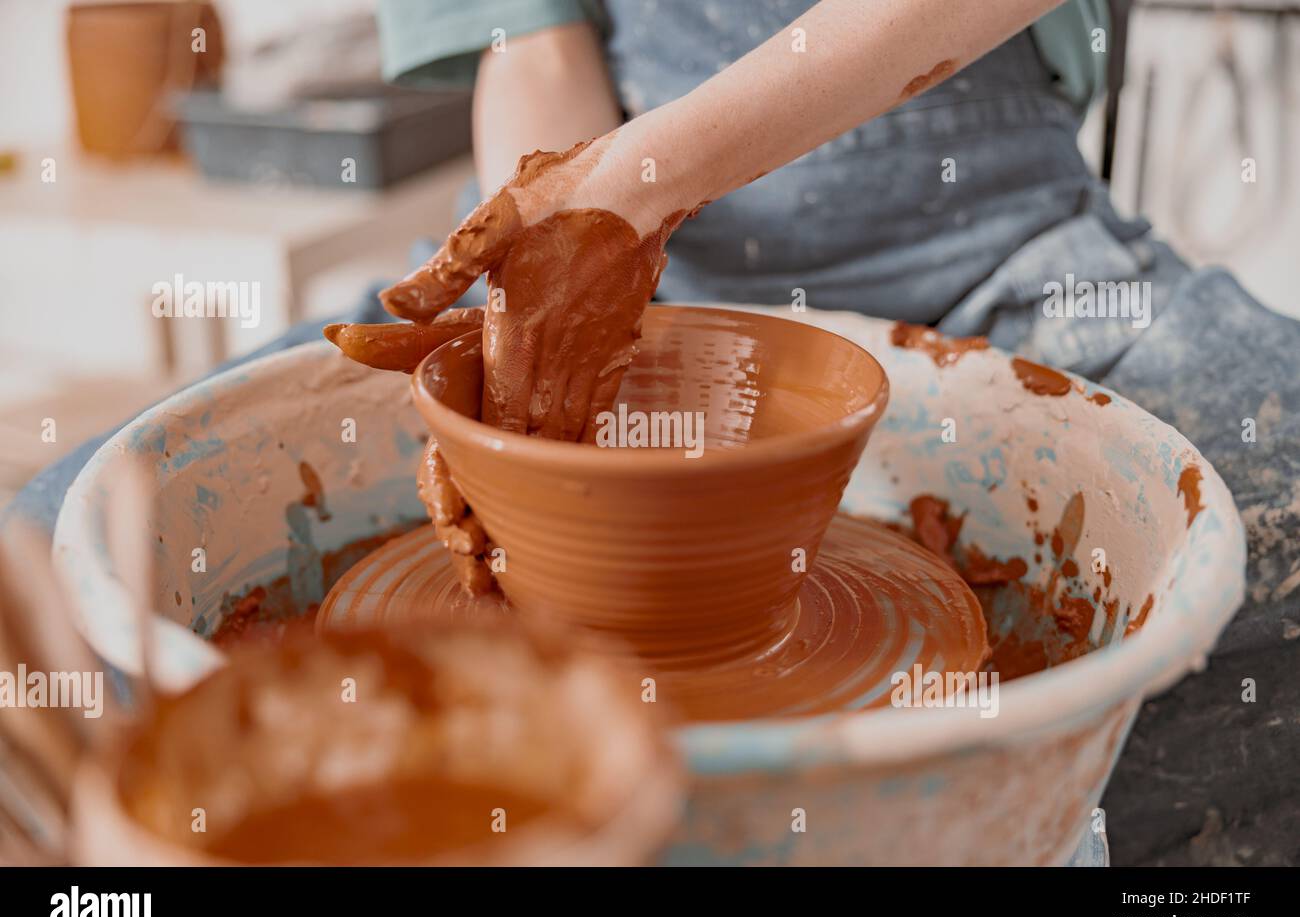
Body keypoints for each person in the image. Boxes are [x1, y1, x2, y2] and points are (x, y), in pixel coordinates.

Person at [8, 0, 1297, 865]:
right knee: (43, 600)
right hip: (586, 263)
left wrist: (648, 179)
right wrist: (546, 301)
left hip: (990, 247)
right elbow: (531, 39)